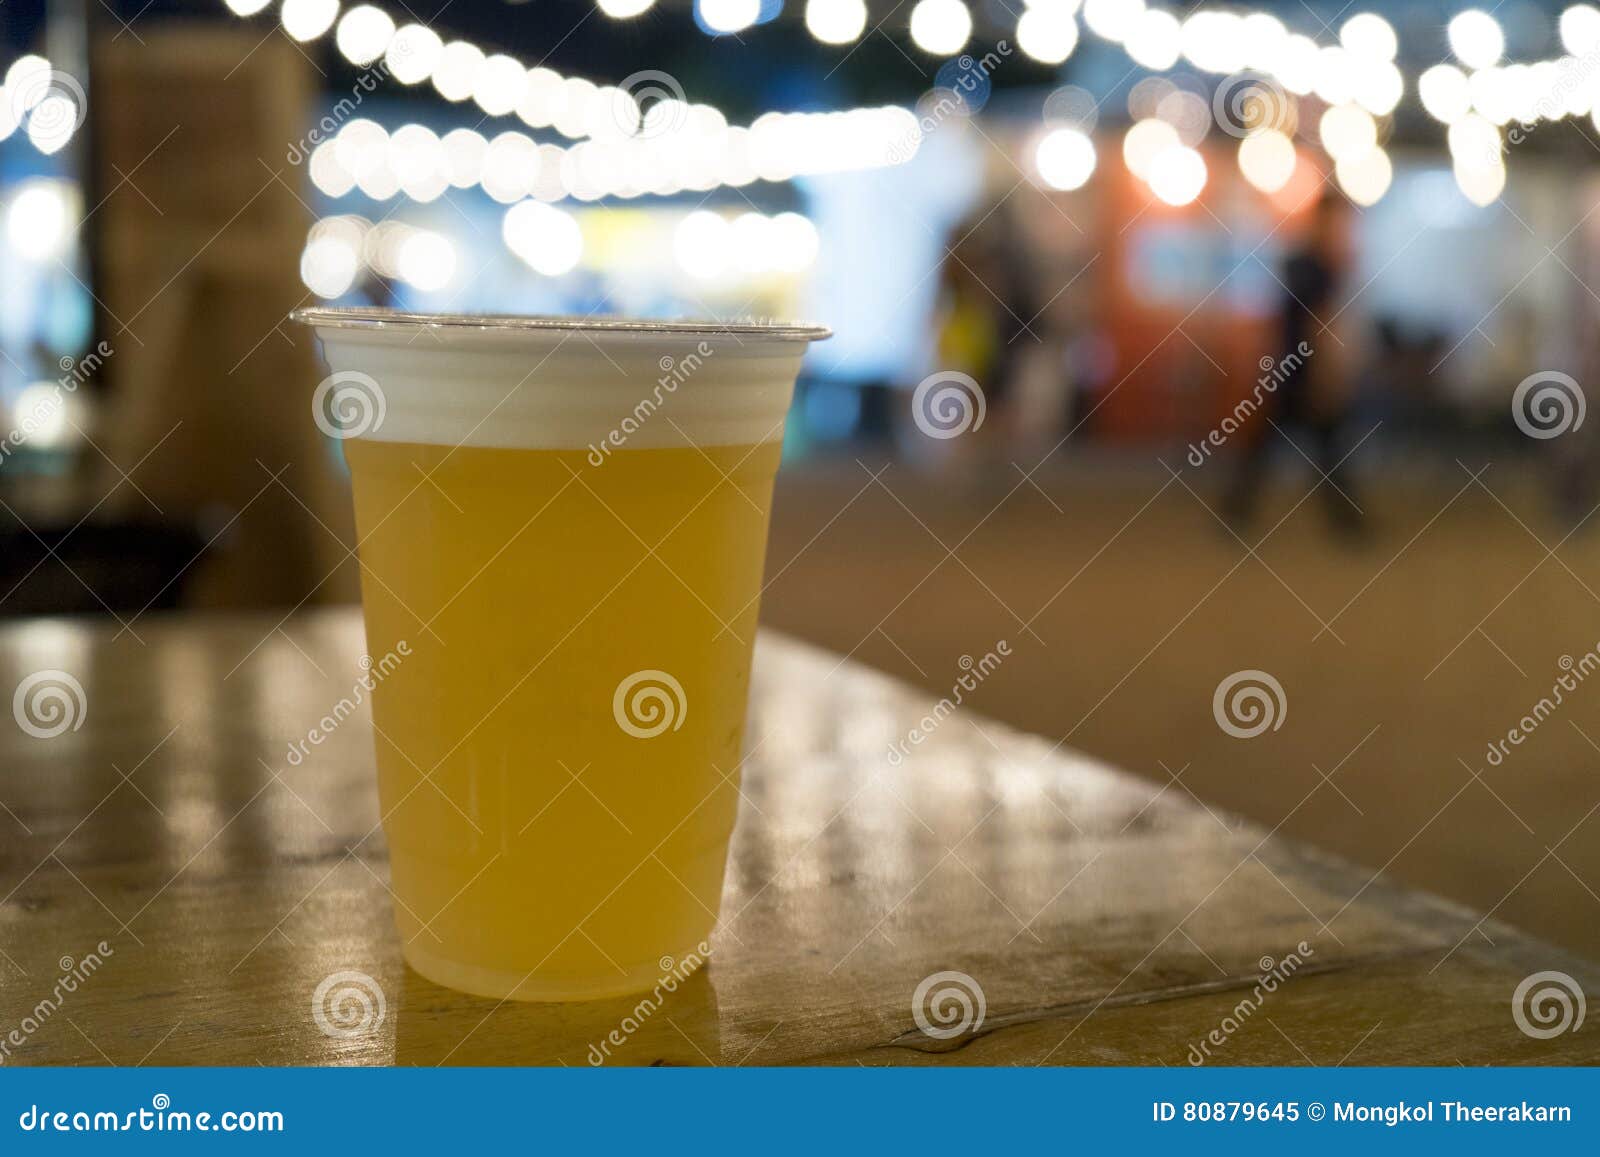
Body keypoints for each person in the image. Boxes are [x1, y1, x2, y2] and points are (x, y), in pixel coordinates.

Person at [1222, 191, 1364, 536]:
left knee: (1307, 444)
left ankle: (1239, 508)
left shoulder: (1303, 262)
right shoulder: (1318, 267)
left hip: (1289, 367)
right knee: (1317, 444)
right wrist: (1327, 374)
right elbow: (1320, 324)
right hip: (1300, 370)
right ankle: (1345, 520)